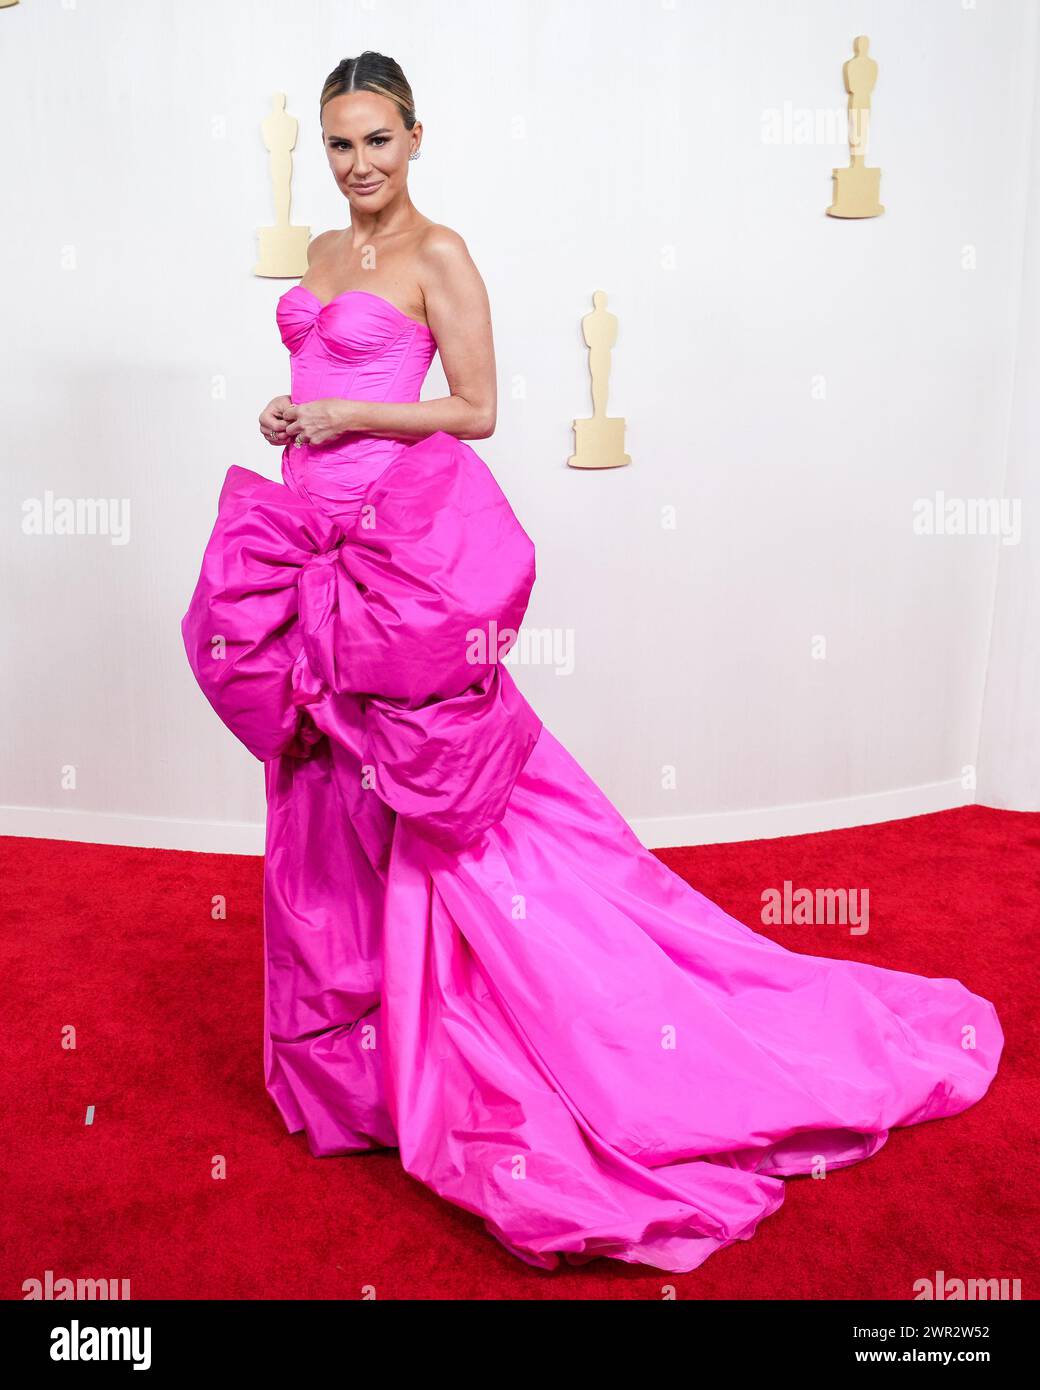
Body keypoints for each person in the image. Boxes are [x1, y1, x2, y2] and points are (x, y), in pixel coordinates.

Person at [181, 51, 1003, 1274]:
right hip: (308, 535)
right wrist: (291, 416)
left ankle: (513, 1038)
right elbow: (318, 372)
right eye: (340, 144)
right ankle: (361, 1076)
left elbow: (476, 408)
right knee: (320, 794)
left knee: (439, 801)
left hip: (393, 546)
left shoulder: (439, 253)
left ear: (417, 137)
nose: (358, 166)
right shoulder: (315, 256)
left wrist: (350, 417)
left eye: (378, 142)